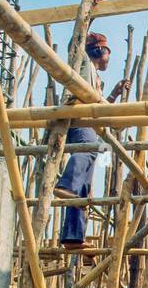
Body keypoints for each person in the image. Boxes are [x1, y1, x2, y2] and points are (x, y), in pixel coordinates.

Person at [53, 31, 131, 251]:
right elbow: (75, 44)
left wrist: (115, 93)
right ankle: (65, 183)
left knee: (84, 188)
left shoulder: (96, 78)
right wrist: (89, 16)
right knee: (88, 152)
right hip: (80, 119)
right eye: (108, 52)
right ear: (99, 51)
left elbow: (101, 105)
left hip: (89, 121)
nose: (109, 58)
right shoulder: (85, 63)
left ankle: (72, 237)